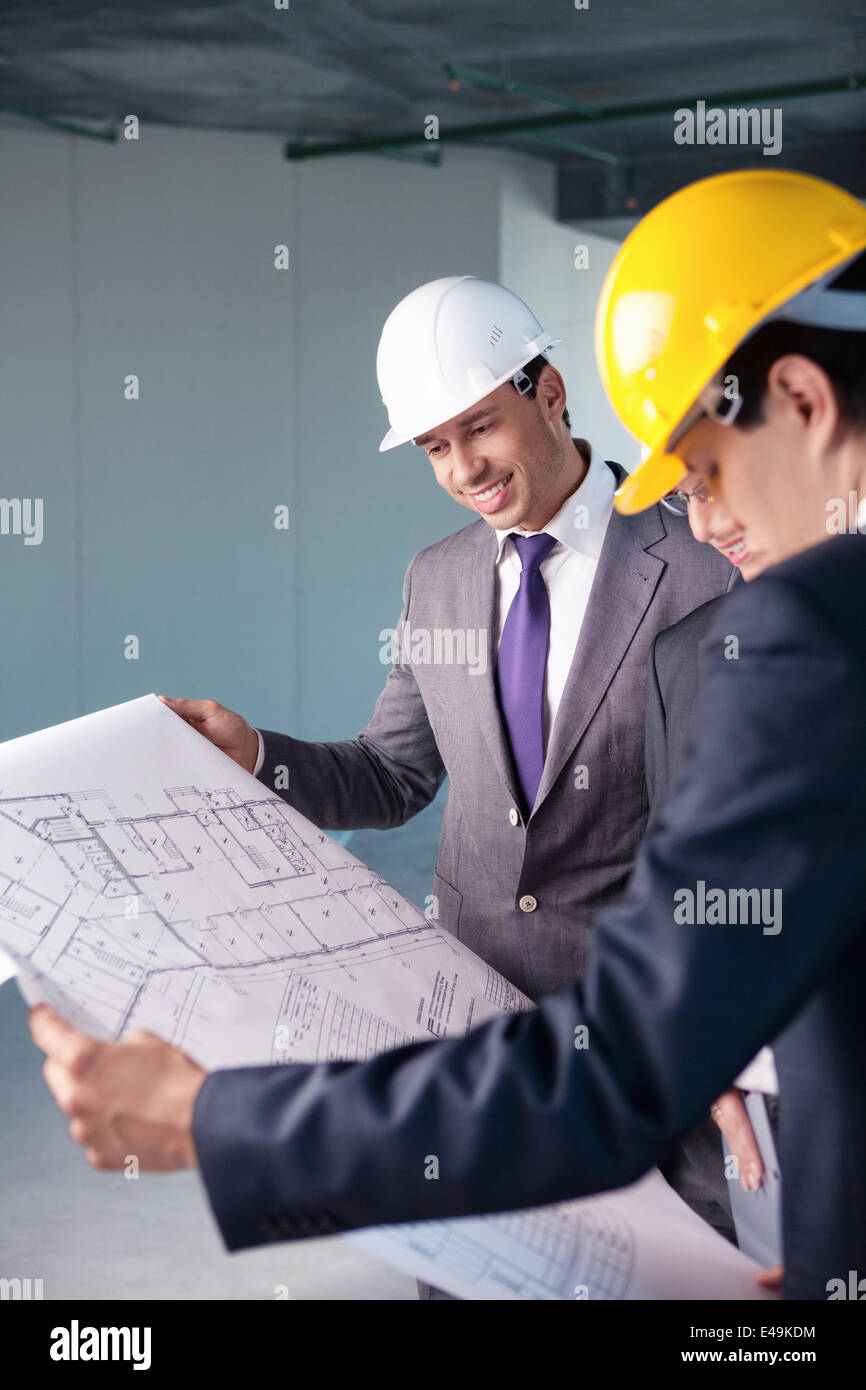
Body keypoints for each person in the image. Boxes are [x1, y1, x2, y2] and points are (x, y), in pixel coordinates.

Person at [31, 169, 866, 1300]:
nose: (462, 468)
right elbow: (392, 772)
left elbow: (731, 903)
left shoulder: (745, 585)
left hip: (630, 1056)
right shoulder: (434, 584)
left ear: (549, 392)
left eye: (478, 425)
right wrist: (258, 756)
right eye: (432, 446)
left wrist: (726, 1014)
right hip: (487, 1039)